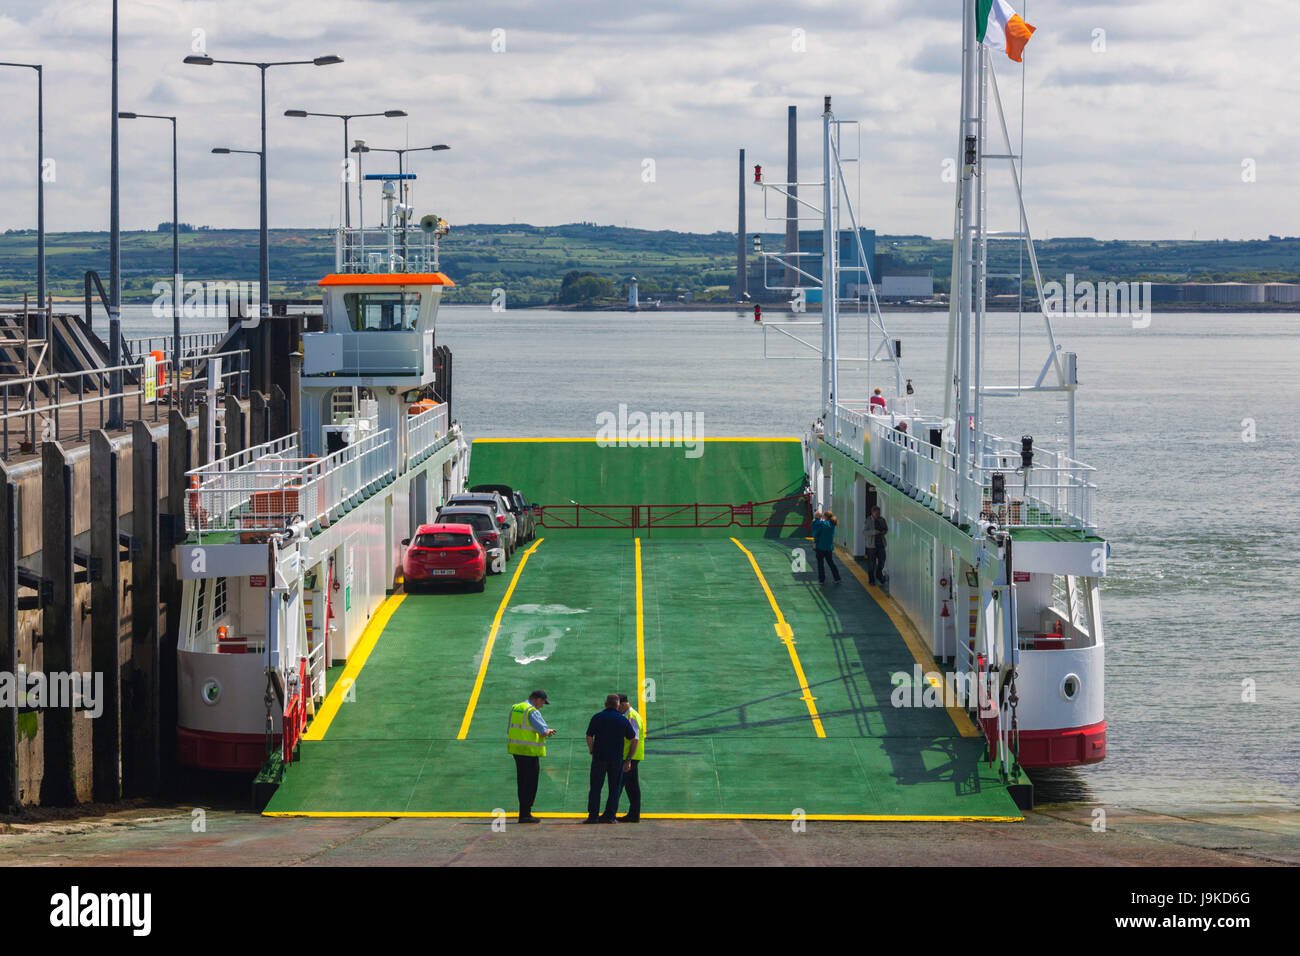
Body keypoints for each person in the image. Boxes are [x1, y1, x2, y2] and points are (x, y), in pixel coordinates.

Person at [585, 693, 637, 823]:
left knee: (596, 787)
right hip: (616, 759)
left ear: (605, 704)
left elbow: (589, 736)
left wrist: (592, 750)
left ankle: (593, 816)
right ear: (618, 705)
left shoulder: (597, 717)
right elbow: (633, 739)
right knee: (614, 788)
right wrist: (629, 759)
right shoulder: (622, 720)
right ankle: (610, 817)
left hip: (599, 758)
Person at [507, 690, 557, 824]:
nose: (541, 706)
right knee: (530, 784)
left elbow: (510, 728)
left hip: (516, 750)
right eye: (542, 703)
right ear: (537, 699)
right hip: (529, 752)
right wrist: (549, 731)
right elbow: (543, 730)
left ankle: (523, 812)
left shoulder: (516, 708)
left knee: (521, 782)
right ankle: (525, 814)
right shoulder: (532, 711)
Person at [616, 693, 645, 822]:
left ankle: (610, 813)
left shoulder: (631, 717)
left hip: (630, 757)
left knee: (619, 784)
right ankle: (634, 815)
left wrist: (628, 759)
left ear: (622, 704)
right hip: (632, 756)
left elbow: (635, 739)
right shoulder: (629, 715)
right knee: (631, 786)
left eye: (617, 707)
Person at [811, 509, 842, 584]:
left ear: (825, 516)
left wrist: (816, 519)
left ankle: (822, 580)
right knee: (831, 563)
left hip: (820, 547)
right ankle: (837, 578)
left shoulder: (822, 524)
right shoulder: (833, 525)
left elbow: (815, 533)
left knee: (820, 564)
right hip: (828, 548)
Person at [866, 506, 888, 585]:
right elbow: (864, 532)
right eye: (877, 513)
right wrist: (874, 532)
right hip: (871, 546)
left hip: (881, 545)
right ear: (873, 513)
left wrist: (883, 532)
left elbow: (886, 529)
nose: (878, 514)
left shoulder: (882, 520)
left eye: (879, 513)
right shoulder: (868, 521)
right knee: (871, 564)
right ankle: (871, 580)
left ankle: (879, 575)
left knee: (882, 561)